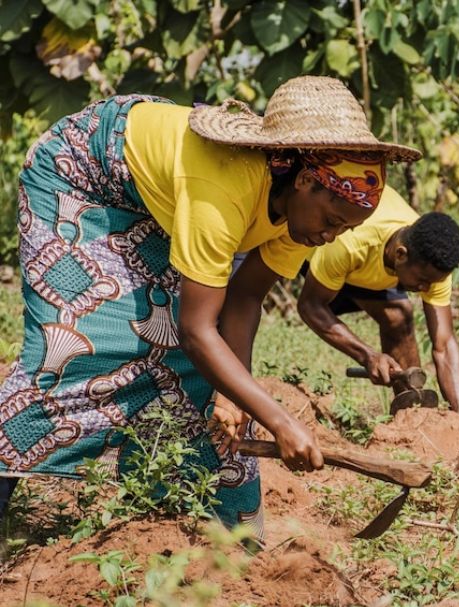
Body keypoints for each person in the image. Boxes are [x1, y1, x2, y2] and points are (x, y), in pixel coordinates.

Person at [0, 76, 421, 537]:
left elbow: (244, 300)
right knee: (72, 352)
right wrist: (278, 419)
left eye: (344, 229)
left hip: (158, 200)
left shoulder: (302, 214)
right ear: (304, 181)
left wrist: (235, 397)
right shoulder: (225, 188)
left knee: (199, 375)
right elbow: (198, 330)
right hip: (81, 174)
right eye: (332, 221)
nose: (330, 237)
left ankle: (229, 540)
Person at [296, 192, 459, 415]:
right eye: (422, 281)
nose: (426, 289)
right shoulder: (352, 243)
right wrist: (367, 355)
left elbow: (444, 345)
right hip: (319, 253)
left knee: (398, 317)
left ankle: (410, 415)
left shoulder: (432, 262)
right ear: (400, 254)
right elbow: (310, 306)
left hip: (365, 266)